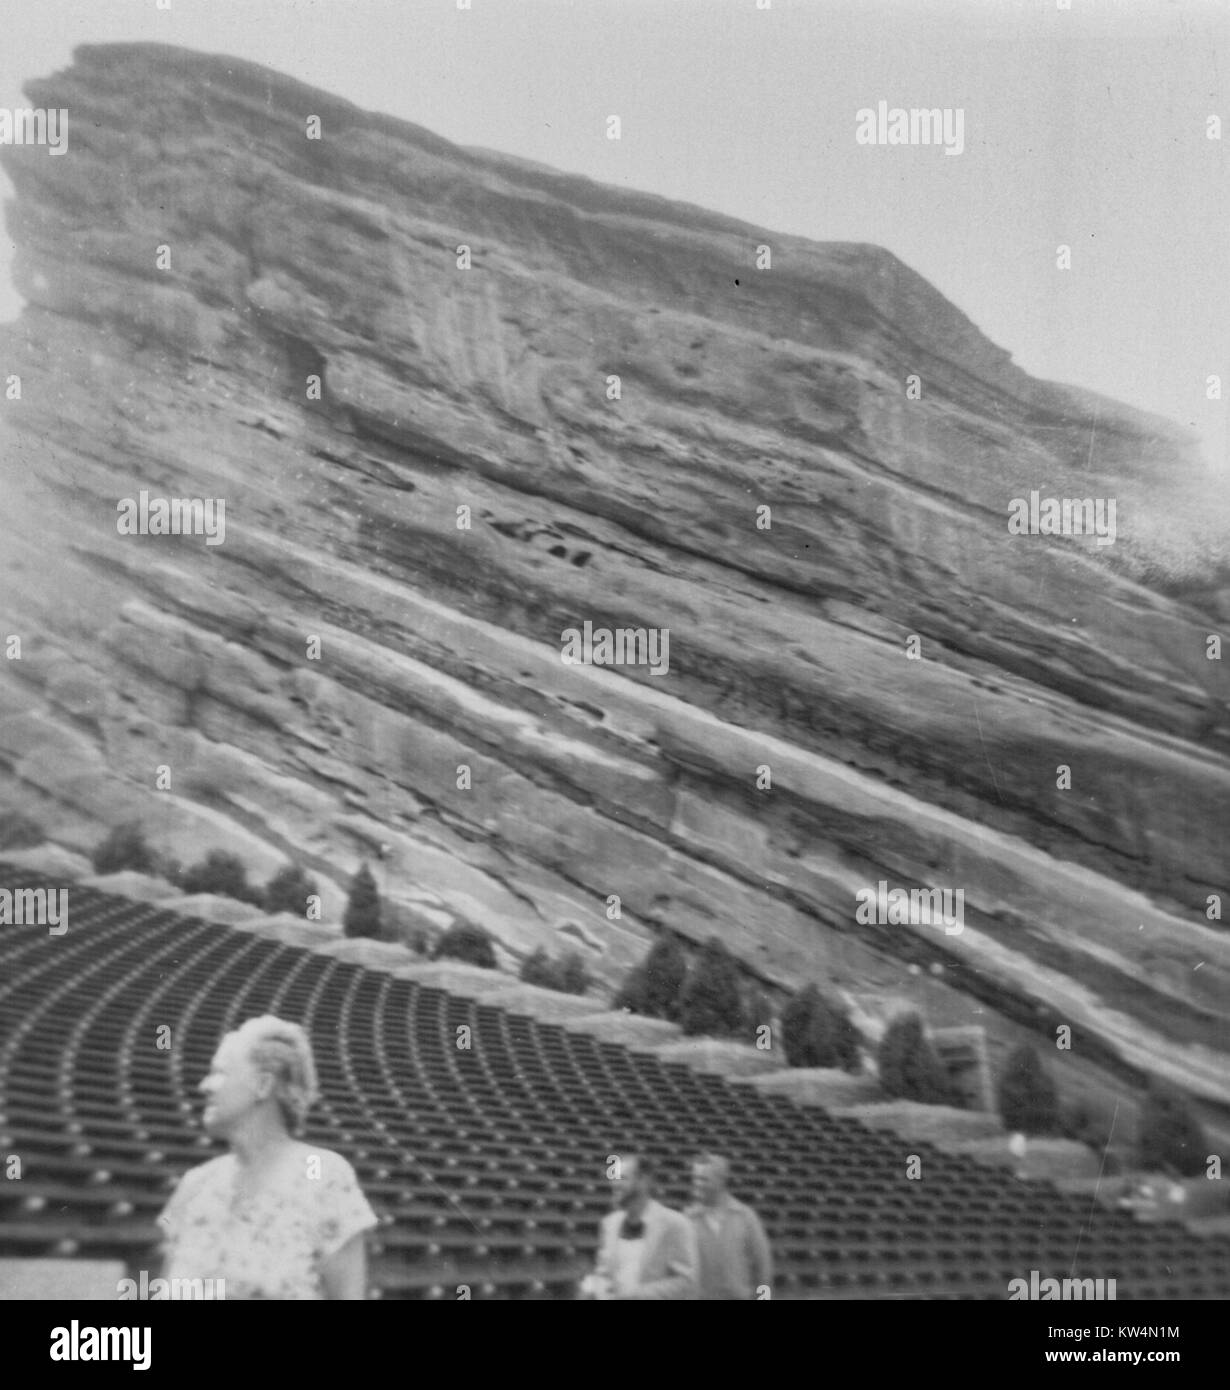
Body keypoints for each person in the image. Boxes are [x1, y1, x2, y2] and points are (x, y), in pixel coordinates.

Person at [158, 1015, 378, 1299]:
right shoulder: (196, 1185)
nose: (204, 1085)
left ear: (262, 1084)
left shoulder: (322, 1175)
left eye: (220, 1072)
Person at [581, 1152, 697, 1299]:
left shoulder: (675, 1224)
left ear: (643, 1181)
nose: (615, 1184)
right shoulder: (610, 1224)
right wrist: (598, 1287)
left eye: (622, 1178)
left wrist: (637, 1295)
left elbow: (686, 1282)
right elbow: (604, 1273)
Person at [686, 1153, 773, 1300]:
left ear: (720, 1180)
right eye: (695, 1178)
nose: (697, 1184)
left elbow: (763, 1268)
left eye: (703, 1179)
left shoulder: (746, 1217)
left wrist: (763, 1299)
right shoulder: (687, 1220)